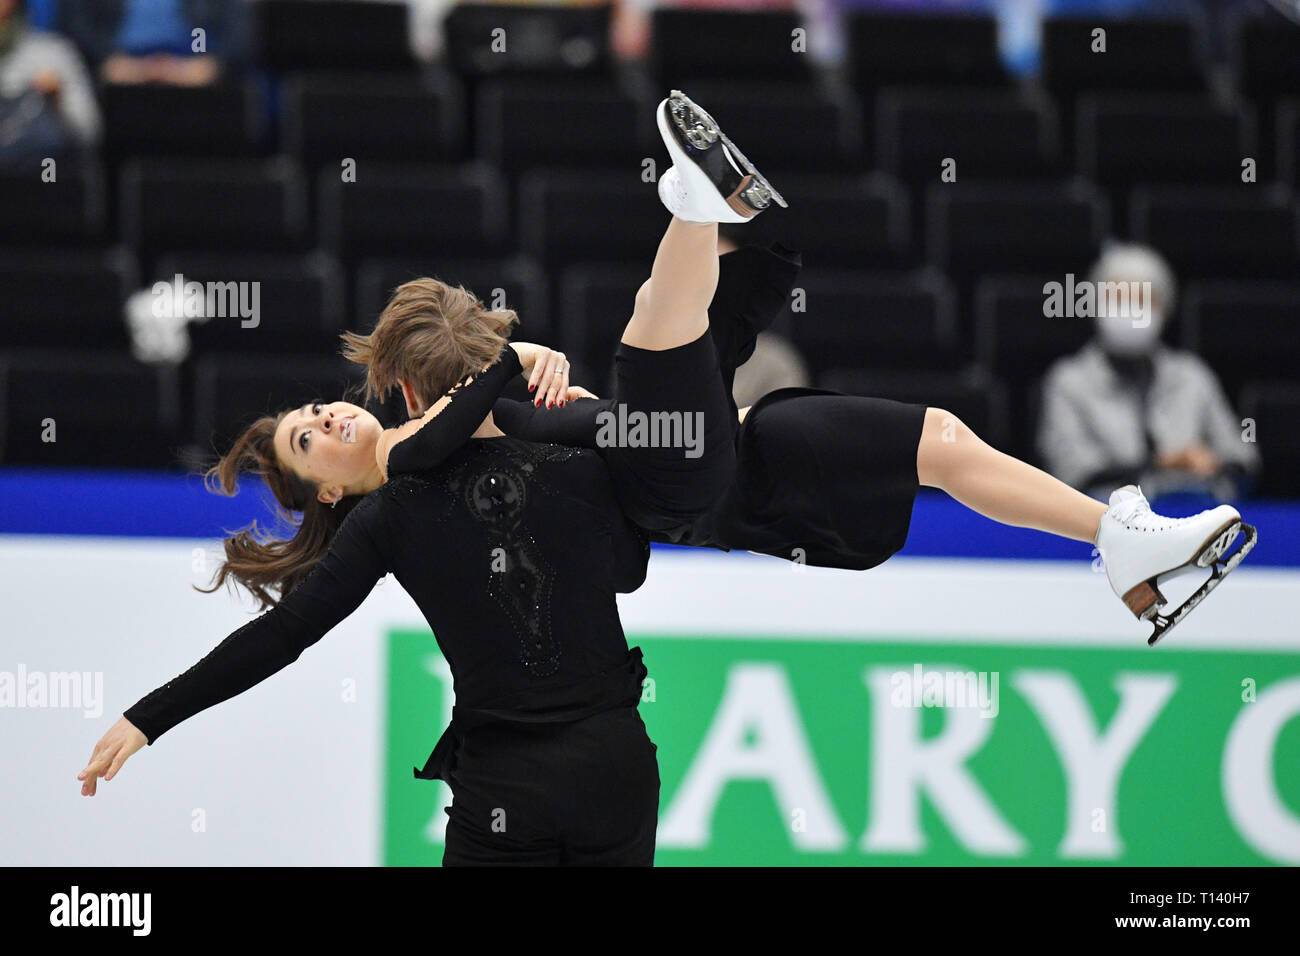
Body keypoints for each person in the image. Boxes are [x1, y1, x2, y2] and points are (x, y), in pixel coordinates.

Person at [76, 91, 787, 864]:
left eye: (316, 409)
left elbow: (624, 559)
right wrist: (150, 716)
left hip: (598, 765)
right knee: (662, 339)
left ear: (398, 397)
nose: (326, 420)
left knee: (662, 341)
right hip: (528, 779)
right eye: (308, 442)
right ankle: (702, 217)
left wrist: (572, 417)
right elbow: (283, 636)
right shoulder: (392, 513)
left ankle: (705, 216)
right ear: (329, 492)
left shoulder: (521, 432)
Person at [372, 240, 1257, 647]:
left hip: (735, 459)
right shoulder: (434, 441)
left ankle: (1115, 543)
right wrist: (514, 363)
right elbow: (401, 449)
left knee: (941, 441)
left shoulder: (500, 408)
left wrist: (519, 366)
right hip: (680, 479)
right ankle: (693, 206)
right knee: (656, 324)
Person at [1037, 242, 1260, 502]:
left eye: (1142, 300)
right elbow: (1071, 470)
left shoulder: (1193, 375)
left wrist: (1213, 464)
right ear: (1097, 304)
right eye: (1119, 298)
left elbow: (1242, 456)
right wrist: (1162, 464)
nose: (1131, 310)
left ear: (1164, 309)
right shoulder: (1067, 381)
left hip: (1194, 516)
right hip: (1105, 522)